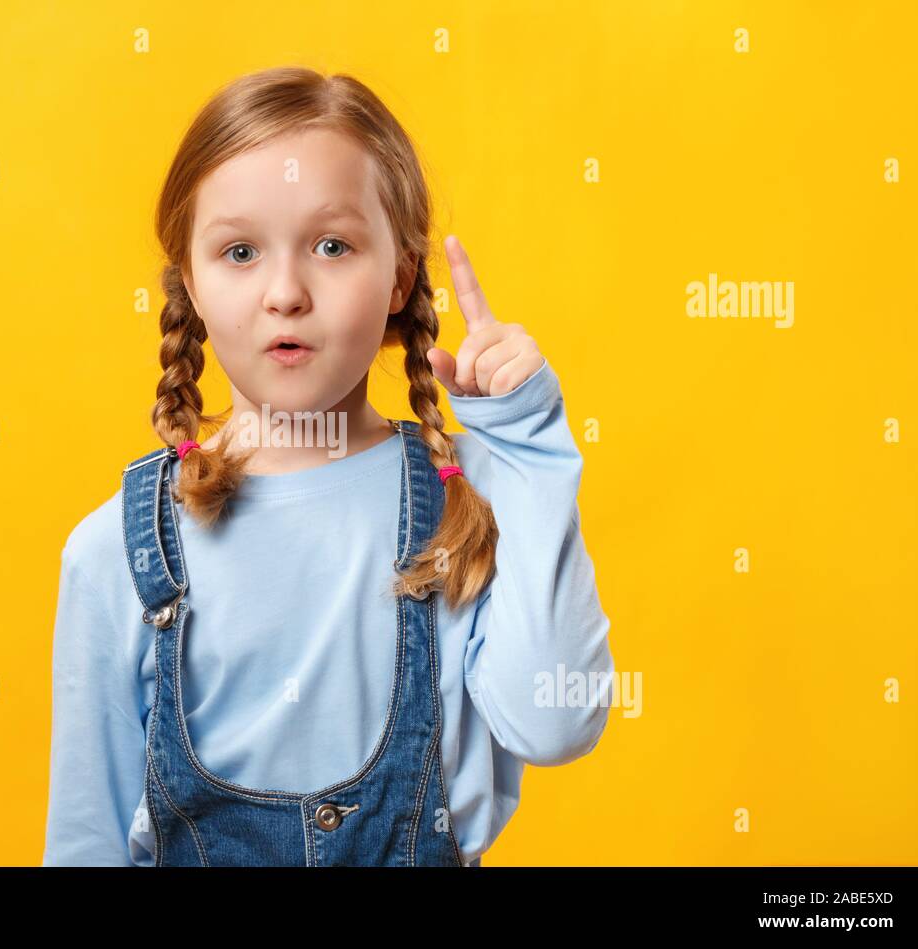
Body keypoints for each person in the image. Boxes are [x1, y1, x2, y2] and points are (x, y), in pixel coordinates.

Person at [43, 65, 614, 866]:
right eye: (240, 251)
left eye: (332, 246)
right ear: (193, 289)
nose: (285, 292)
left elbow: (557, 724)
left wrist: (528, 446)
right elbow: (85, 843)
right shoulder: (116, 552)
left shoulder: (471, 501)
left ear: (399, 278)